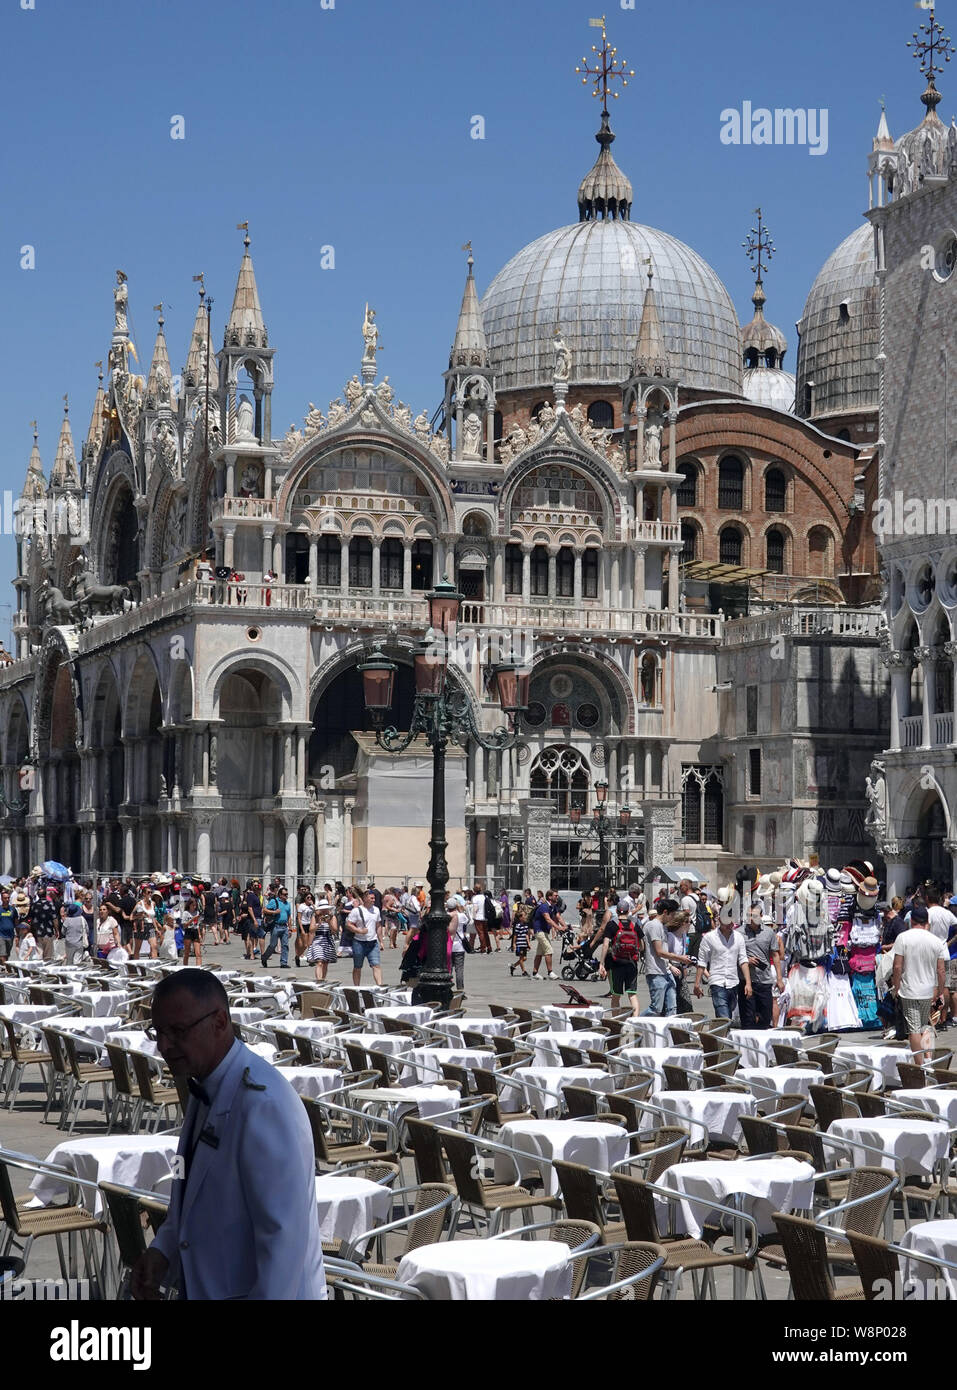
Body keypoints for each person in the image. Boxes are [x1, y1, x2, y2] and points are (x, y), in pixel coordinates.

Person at [131, 971, 326, 1301]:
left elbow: (283, 1241)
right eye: (158, 1031)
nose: (164, 1045)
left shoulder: (262, 1104)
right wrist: (163, 1250)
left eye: (177, 1031)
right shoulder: (204, 1084)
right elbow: (187, 1185)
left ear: (220, 1021)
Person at [891, 903, 949, 1065]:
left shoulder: (903, 937)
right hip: (929, 990)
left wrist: (897, 987)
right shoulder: (936, 941)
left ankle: (919, 1064)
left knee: (914, 1028)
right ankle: (928, 1059)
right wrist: (939, 990)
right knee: (926, 1025)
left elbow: (897, 966)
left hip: (909, 989)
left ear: (911, 921)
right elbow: (941, 970)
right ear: (927, 922)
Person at [694, 916, 752, 1020]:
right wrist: (697, 984)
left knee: (728, 1014)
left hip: (733, 982)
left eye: (732, 922)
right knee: (724, 1017)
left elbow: (743, 960)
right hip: (717, 982)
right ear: (720, 920)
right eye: (727, 922)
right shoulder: (709, 937)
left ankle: (719, 1034)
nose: (730, 925)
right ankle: (724, 1034)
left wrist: (748, 983)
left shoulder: (738, 937)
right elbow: (702, 961)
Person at [740, 906, 784, 1030]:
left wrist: (779, 979)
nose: (751, 919)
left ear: (761, 916)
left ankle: (761, 1039)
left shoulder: (769, 933)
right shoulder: (739, 933)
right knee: (748, 1018)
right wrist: (746, 960)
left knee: (765, 1016)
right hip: (746, 980)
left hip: (764, 979)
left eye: (754, 916)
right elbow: (733, 954)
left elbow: (775, 955)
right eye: (748, 916)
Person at [597, 906, 643, 1018]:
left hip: (615, 964)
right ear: (628, 912)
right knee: (632, 994)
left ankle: (615, 1020)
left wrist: (601, 963)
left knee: (616, 995)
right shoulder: (635, 925)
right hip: (631, 963)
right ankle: (635, 1019)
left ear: (617, 911)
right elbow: (642, 946)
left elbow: (605, 944)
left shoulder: (612, 925)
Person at [347, 889, 383, 986]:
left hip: (373, 942)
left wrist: (381, 941)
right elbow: (349, 924)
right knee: (358, 967)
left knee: (376, 965)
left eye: (374, 898)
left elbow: (378, 925)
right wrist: (359, 931)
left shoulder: (376, 910)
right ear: (365, 898)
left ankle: (379, 986)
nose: (373, 900)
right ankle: (356, 987)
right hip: (359, 942)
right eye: (371, 898)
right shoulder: (356, 911)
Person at [529, 890, 560, 979]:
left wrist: (565, 926)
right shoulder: (544, 906)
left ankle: (535, 973)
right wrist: (559, 928)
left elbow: (558, 917)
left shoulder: (552, 907)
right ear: (550, 897)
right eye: (555, 896)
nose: (557, 897)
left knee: (539, 953)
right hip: (539, 931)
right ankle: (550, 972)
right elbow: (548, 919)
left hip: (544, 931)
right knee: (549, 950)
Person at [305, 898, 337, 982]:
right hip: (317, 941)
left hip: (328, 940)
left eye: (325, 909)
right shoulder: (315, 917)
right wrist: (318, 924)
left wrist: (328, 922)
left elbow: (334, 930)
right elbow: (311, 930)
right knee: (319, 961)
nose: (324, 911)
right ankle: (319, 980)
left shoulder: (332, 917)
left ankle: (323, 979)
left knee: (325, 963)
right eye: (322, 909)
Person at [261, 885, 292, 969]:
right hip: (276, 926)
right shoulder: (274, 901)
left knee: (285, 945)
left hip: (284, 927)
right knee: (273, 945)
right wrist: (274, 912)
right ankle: (264, 957)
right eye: (285, 894)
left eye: (287, 894)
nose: (286, 896)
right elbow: (264, 910)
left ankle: (283, 962)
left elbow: (289, 917)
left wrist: (290, 928)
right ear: (280, 895)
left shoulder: (288, 904)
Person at [132, 883, 159, 961]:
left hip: (150, 926)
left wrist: (156, 927)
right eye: (148, 892)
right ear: (144, 894)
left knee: (154, 946)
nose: (150, 894)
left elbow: (153, 917)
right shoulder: (139, 903)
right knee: (137, 948)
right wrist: (140, 916)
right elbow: (132, 916)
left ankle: (154, 965)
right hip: (141, 925)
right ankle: (136, 966)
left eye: (151, 892)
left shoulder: (153, 903)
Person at [60, 899, 89, 965]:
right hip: (79, 943)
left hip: (69, 943)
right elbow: (87, 930)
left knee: (69, 961)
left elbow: (63, 932)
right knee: (77, 961)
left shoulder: (67, 920)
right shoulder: (82, 919)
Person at [182, 895, 204, 967]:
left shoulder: (197, 912)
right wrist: (192, 919)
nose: (194, 907)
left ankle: (199, 968)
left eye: (195, 905)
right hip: (188, 931)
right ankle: (185, 967)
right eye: (193, 905)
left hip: (195, 931)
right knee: (187, 952)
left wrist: (199, 934)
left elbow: (197, 925)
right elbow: (184, 925)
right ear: (189, 905)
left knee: (198, 953)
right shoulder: (185, 913)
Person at [510, 904, 531, 977]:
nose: (525, 917)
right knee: (521, 958)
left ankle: (514, 965)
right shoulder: (518, 926)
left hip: (524, 944)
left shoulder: (526, 925)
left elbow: (526, 935)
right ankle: (523, 971)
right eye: (524, 916)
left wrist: (528, 943)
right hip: (519, 944)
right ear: (520, 918)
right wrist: (514, 944)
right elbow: (515, 935)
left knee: (524, 958)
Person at [0, 888, 17, 960]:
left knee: (7, 954)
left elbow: (16, 922)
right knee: (2, 954)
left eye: (8, 898)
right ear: (1, 899)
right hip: (1, 935)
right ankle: (5, 969)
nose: (7, 899)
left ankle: (3, 966)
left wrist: (17, 934)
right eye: (5, 898)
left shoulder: (12, 909)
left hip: (10, 935)